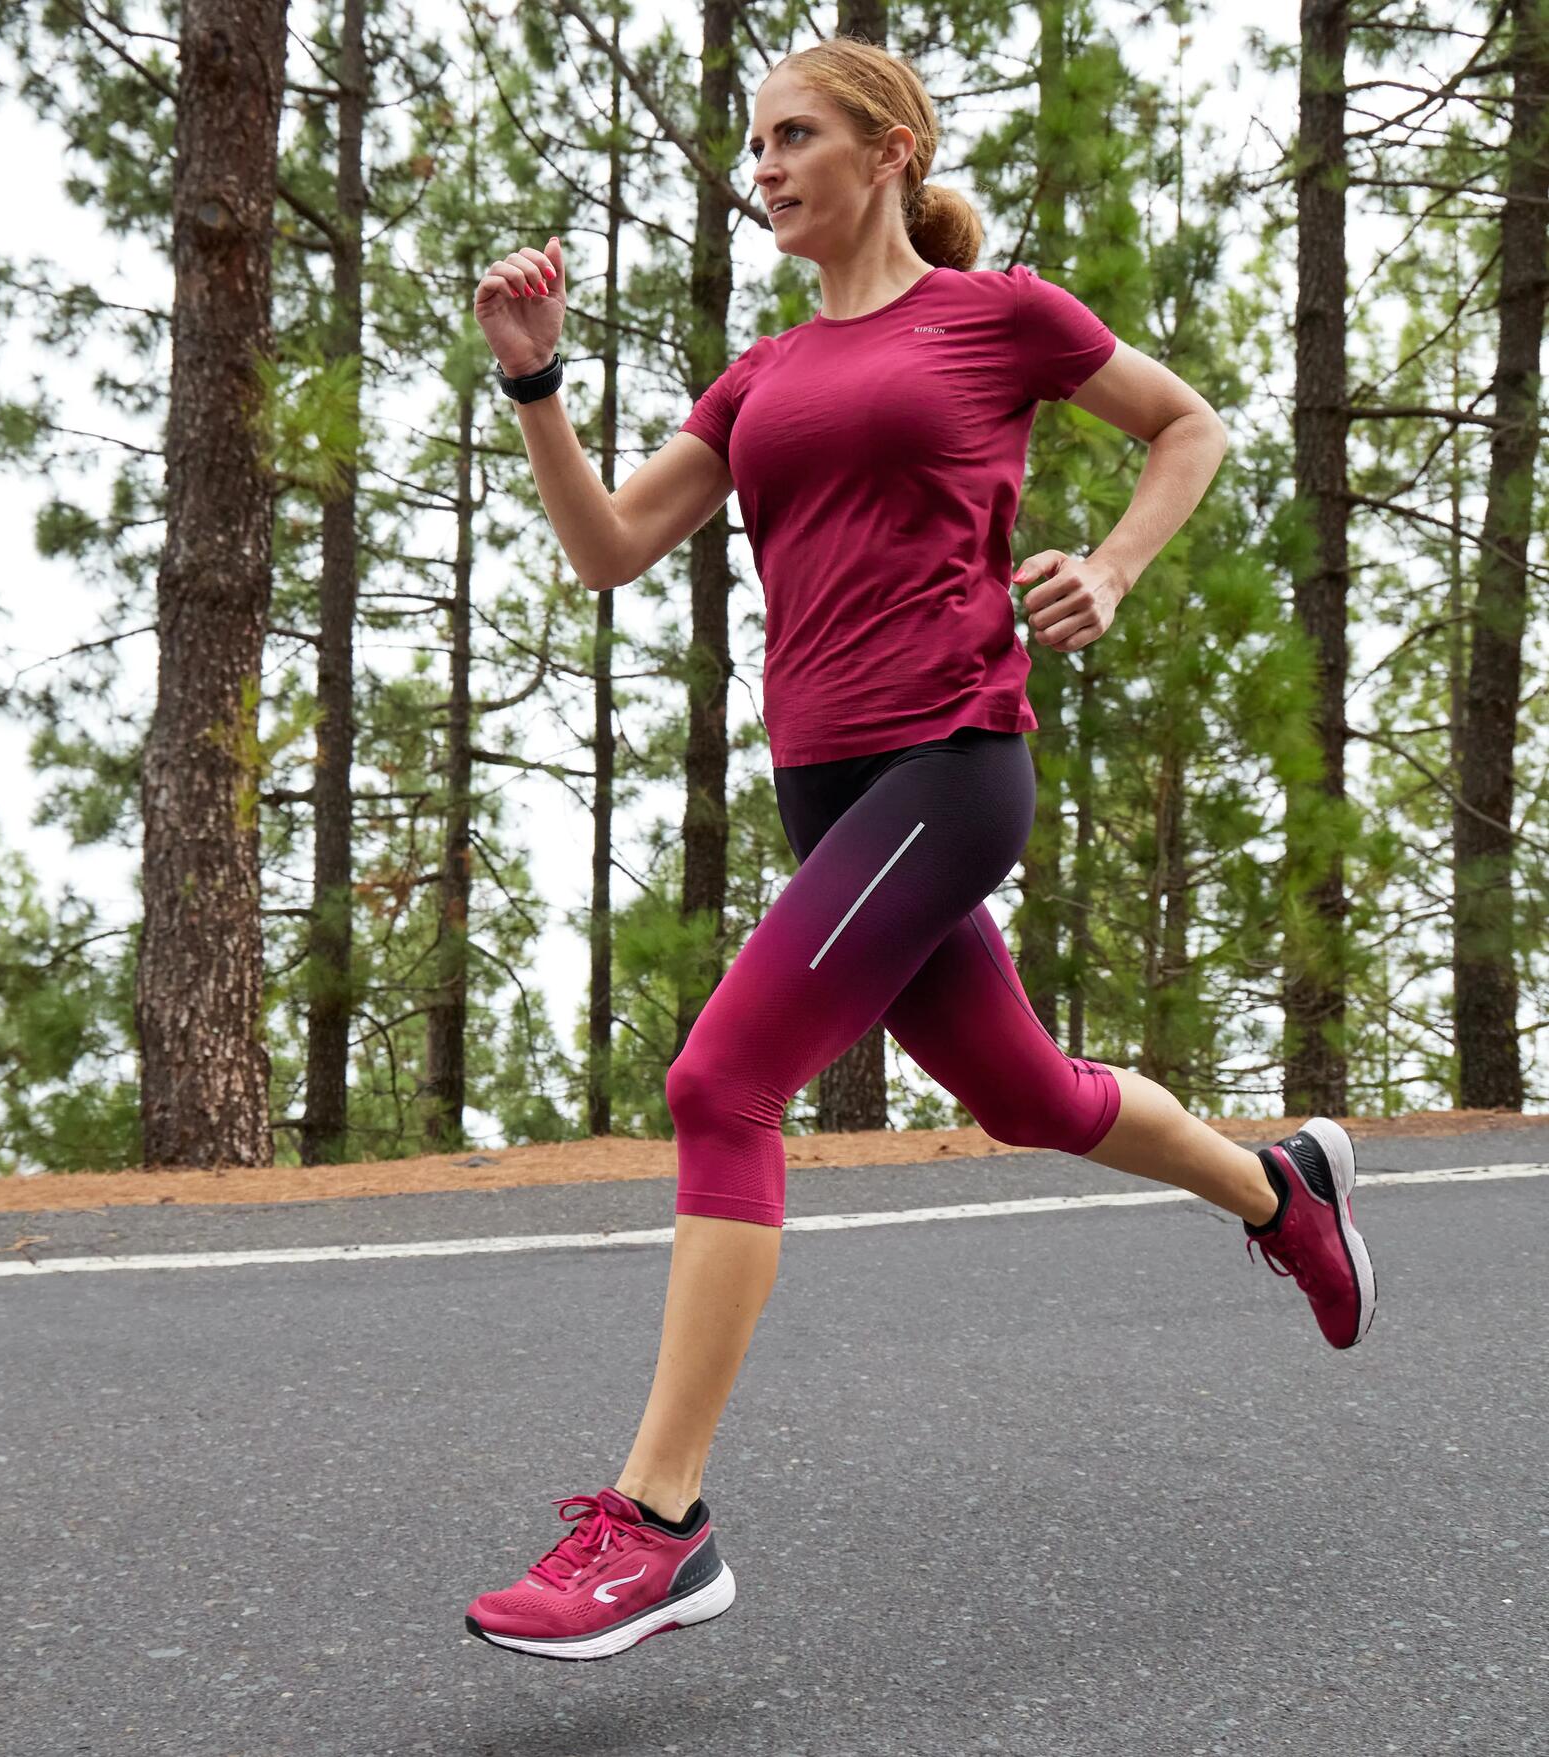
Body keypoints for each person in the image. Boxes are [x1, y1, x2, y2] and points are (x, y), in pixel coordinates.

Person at [461, 37, 1377, 1665]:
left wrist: (1110, 567)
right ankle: (1280, 1187)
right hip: (829, 790)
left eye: (795, 135)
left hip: (955, 767)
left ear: (889, 150)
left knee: (718, 1082)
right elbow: (607, 547)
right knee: (1026, 1096)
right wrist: (535, 381)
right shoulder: (754, 378)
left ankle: (660, 1523)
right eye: (754, 145)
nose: (767, 166)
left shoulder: (995, 315)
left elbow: (1188, 427)